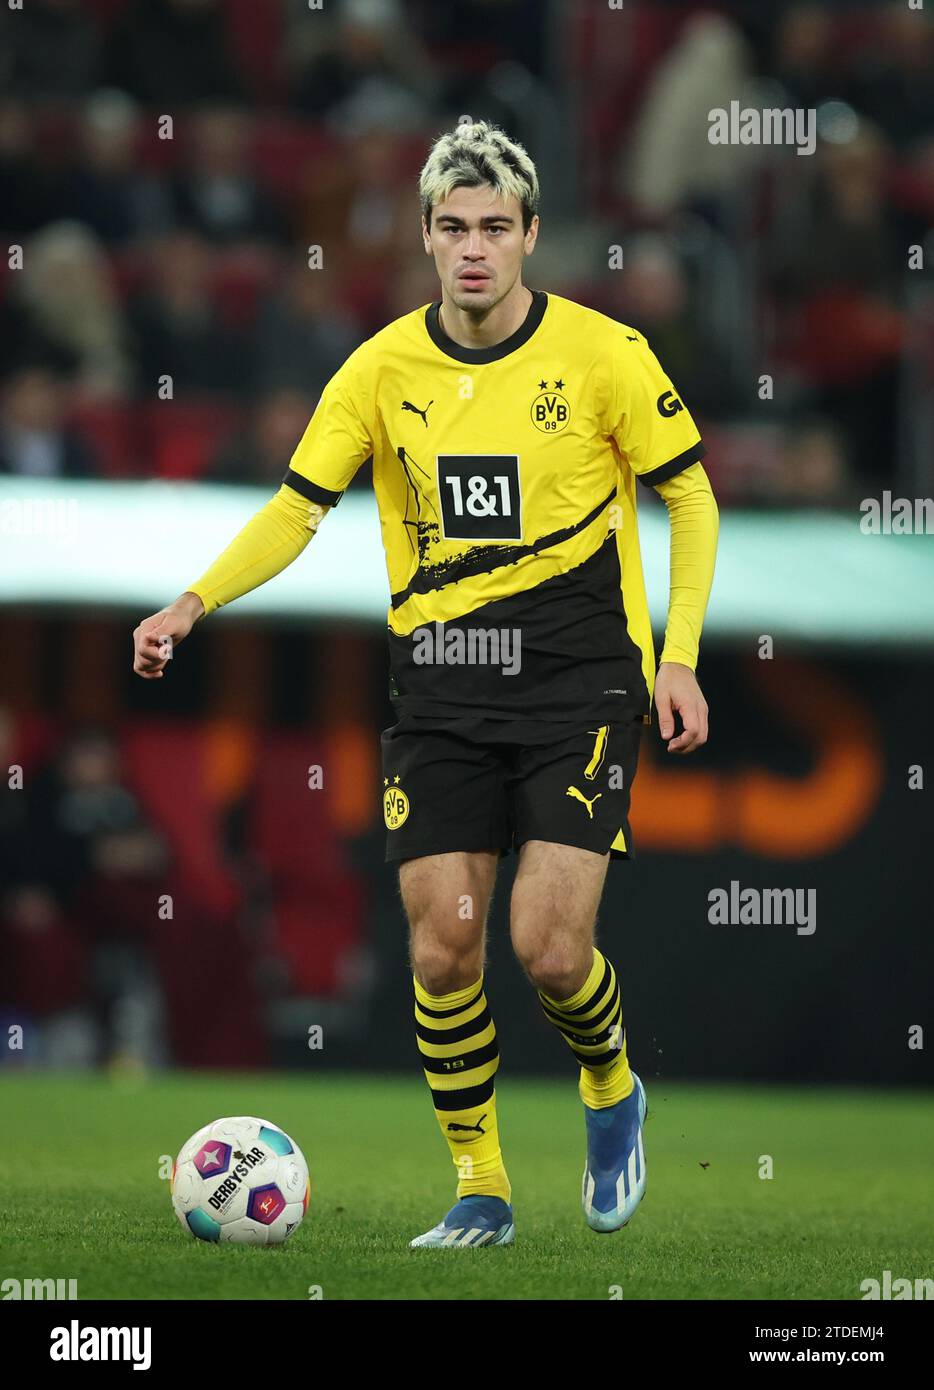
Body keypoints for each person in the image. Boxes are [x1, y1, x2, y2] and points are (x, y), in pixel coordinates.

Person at [131, 120, 719, 1248]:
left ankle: (609, 1083)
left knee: (548, 949)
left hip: (581, 682)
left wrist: (678, 653)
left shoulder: (604, 354)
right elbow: (299, 507)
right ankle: (482, 1189)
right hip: (443, 692)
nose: (473, 250)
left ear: (531, 236)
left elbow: (689, 497)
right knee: (446, 948)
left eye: (495, 228)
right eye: (452, 228)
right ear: (425, 237)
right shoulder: (381, 368)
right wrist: (191, 601)